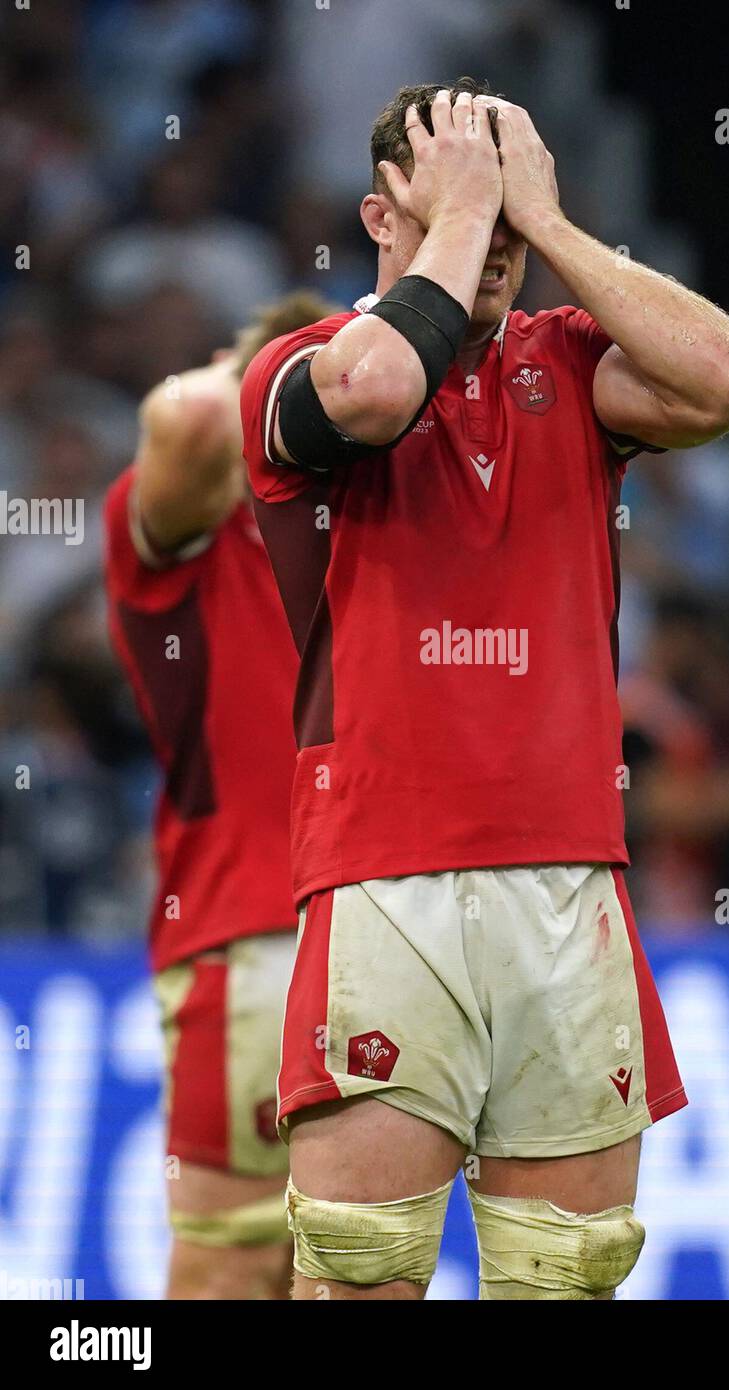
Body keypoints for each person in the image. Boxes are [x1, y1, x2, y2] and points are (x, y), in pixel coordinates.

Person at [240, 80, 729, 1301]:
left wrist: (547, 223)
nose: (494, 254)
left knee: (563, 1281)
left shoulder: (569, 364)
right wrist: (471, 210)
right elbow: (374, 393)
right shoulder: (304, 365)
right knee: (362, 1277)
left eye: (509, 230)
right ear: (381, 215)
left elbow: (725, 377)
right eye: (453, 217)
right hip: (384, 879)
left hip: (567, 879)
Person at [103, 291, 334, 1299]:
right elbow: (192, 421)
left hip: (383, 928)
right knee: (235, 1266)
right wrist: (284, 358)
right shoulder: (182, 537)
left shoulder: (375, 529)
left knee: (352, 1270)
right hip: (253, 939)